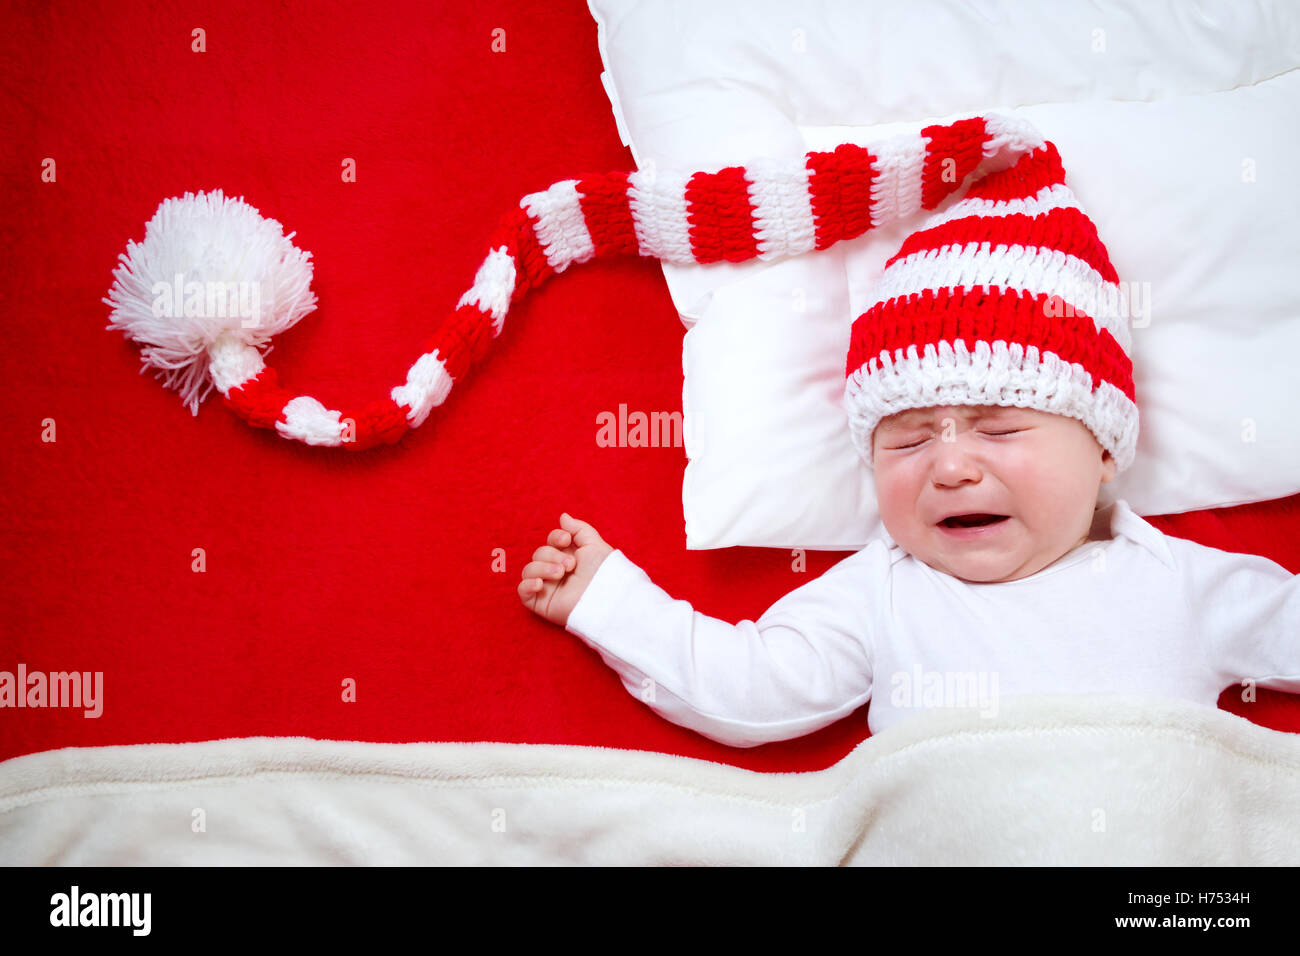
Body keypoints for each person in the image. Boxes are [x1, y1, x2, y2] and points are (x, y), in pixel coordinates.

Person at [517, 134, 1300, 747]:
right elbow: (750, 689)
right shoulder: (885, 593)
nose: (950, 466)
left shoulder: (1179, 583)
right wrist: (611, 603)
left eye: (999, 427)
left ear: (1102, 448)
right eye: (908, 442)